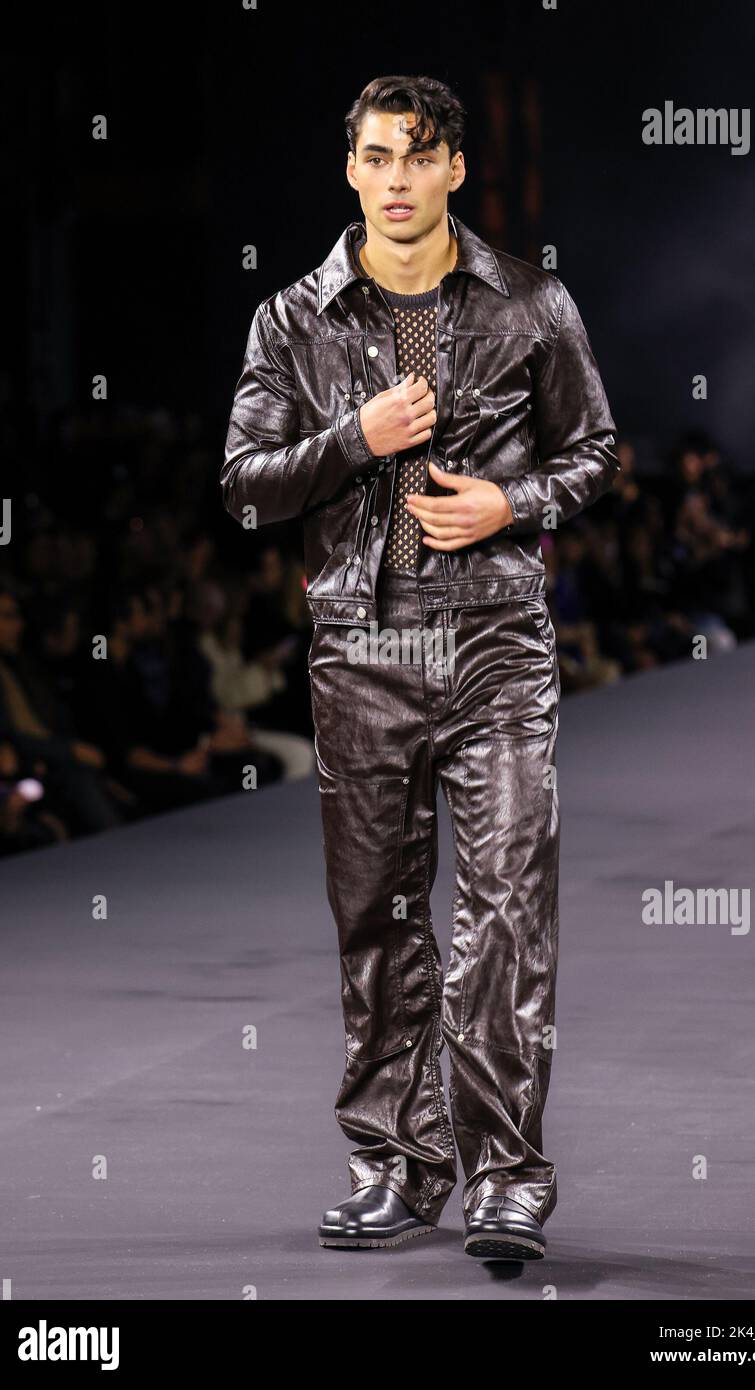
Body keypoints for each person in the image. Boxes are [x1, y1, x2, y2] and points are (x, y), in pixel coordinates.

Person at [222, 75, 619, 1262]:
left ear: (455, 170)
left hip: (497, 640)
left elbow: (594, 448)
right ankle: (400, 1159)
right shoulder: (293, 320)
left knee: (506, 910)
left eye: (420, 156)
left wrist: (513, 499)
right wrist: (356, 442)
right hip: (361, 650)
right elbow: (245, 485)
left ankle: (508, 1173)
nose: (397, 178)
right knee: (378, 919)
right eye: (378, 156)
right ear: (351, 168)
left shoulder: (529, 303)